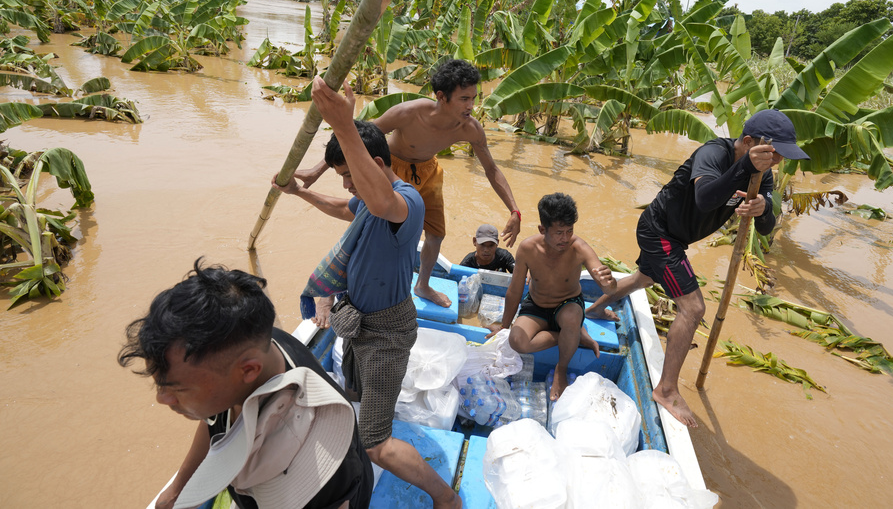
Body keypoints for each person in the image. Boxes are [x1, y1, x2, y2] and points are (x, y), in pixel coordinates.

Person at [273, 76, 461, 509]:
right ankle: (363, 424)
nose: (346, 185)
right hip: (356, 323)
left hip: (387, 335)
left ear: (377, 163)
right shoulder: (367, 196)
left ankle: (446, 498)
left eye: (348, 175)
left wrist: (343, 124)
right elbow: (347, 207)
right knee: (353, 394)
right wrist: (301, 192)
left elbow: (376, 204)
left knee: (377, 443)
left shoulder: (406, 203)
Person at [584, 109, 810, 428]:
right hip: (659, 230)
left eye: (779, 157)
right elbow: (704, 199)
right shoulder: (713, 153)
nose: (775, 162)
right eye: (773, 153)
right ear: (748, 142)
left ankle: (594, 310)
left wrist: (762, 211)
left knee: (643, 279)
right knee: (693, 308)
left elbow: (764, 228)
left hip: (677, 238)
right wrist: (745, 167)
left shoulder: (764, 174)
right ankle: (666, 389)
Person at [118, 260, 372, 509]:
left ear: (249, 370)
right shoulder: (252, 347)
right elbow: (213, 423)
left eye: (177, 389)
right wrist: (178, 488)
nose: (162, 399)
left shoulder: (319, 465)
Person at [293, 59, 522, 308]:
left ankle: (422, 285)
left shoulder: (470, 129)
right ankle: (333, 285)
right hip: (390, 168)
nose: (471, 106)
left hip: (429, 171)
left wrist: (514, 210)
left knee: (436, 234)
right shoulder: (410, 113)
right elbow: (358, 137)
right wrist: (317, 170)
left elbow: (491, 169)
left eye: (473, 98)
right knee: (362, 223)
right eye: (464, 99)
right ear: (442, 97)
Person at [486, 193, 616, 401]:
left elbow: (608, 287)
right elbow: (515, 289)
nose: (565, 238)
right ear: (542, 229)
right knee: (517, 341)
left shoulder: (579, 248)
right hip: (537, 305)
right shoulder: (528, 248)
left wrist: (609, 283)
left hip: (568, 304)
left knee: (572, 317)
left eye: (569, 231)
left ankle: (560, 369)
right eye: (558, 233)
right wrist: (504, 326)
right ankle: (573, 336)